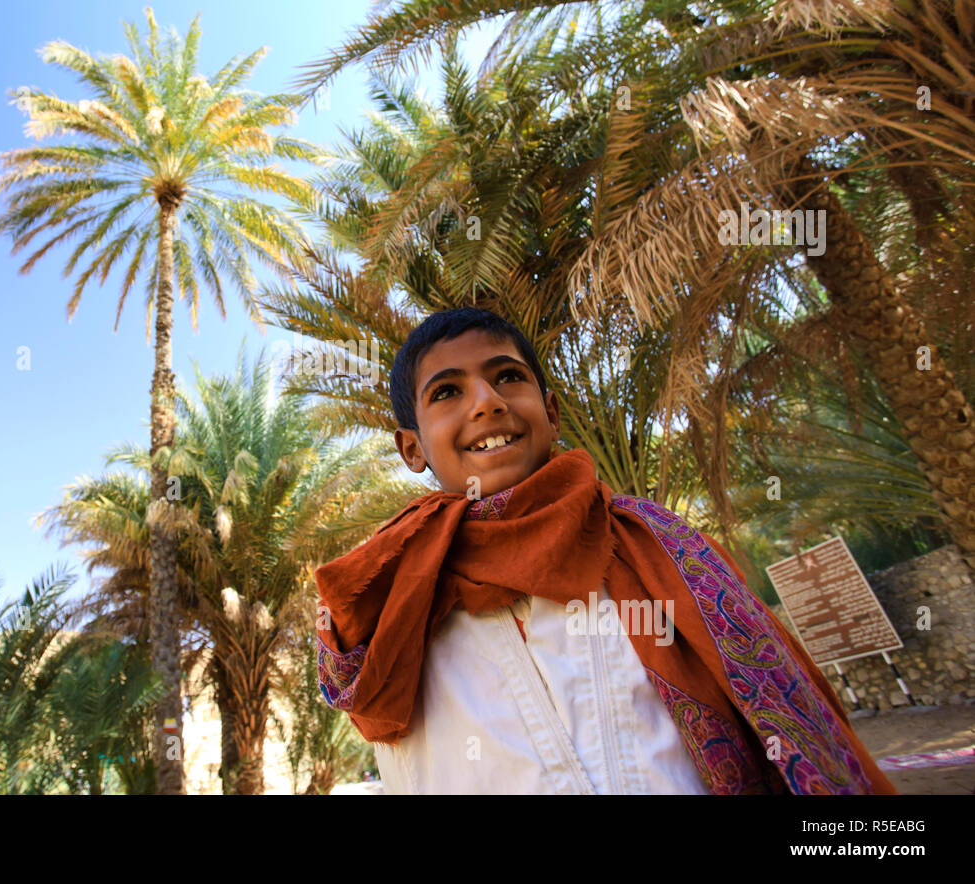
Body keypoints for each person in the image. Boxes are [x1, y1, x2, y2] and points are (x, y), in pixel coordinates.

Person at [315, 307, 896, 794]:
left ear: (552, 410)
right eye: (447, 391)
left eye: (508, 378)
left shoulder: (658, 548)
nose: (487, 402)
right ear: (412, 448)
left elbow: (792, 729)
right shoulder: (390, 606)